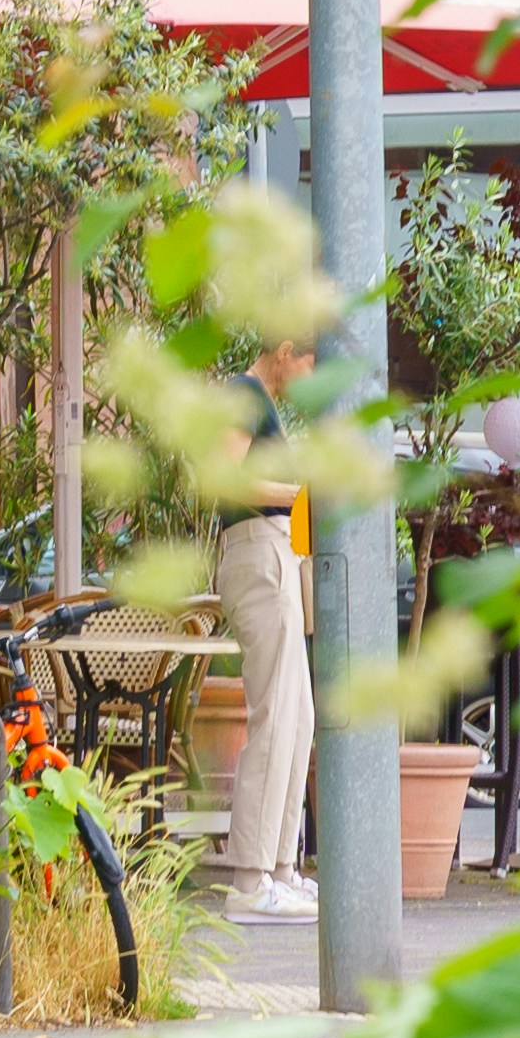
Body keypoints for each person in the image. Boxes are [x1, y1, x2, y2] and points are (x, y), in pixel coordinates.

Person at [215, 337, 316, 925]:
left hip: (277, 554)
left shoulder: (266, 403)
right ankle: (249, 881)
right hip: (257, 554)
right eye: (309, 364)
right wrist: (301, 493)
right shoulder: (243, 394)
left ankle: (280, 869)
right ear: (285, 349)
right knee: (274, 716)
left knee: (297, 717)